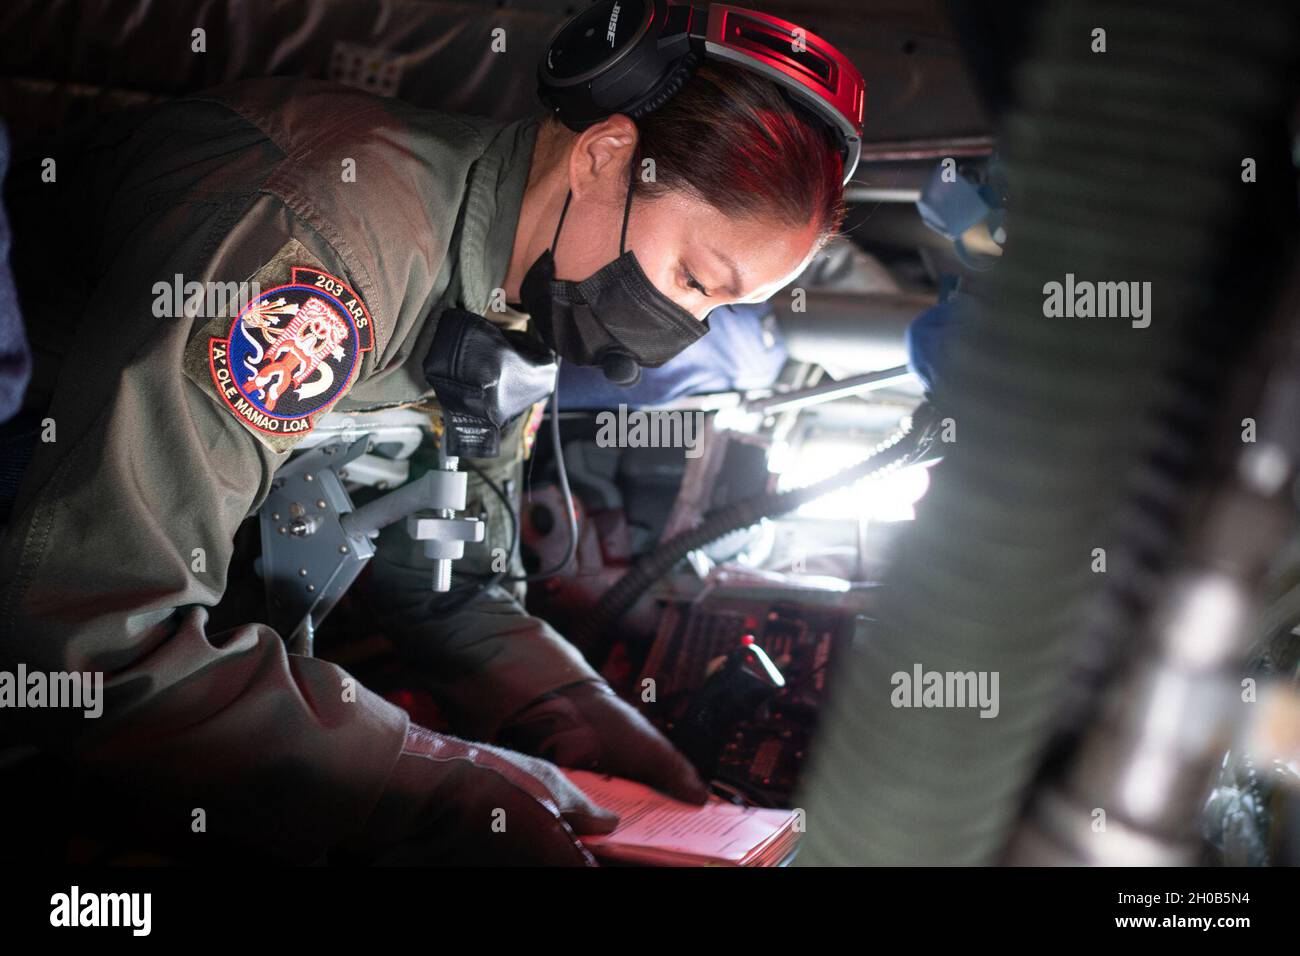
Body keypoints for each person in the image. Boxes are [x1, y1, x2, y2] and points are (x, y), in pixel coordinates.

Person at [0, 6, 856, 863]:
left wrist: (574, 707)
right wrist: (421, 782)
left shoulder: (532, 299)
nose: (687, 327)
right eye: (695, 279)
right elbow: (92, 636)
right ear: (605, 157)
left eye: (719, 308)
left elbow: (446, 583)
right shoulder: (324, 245)